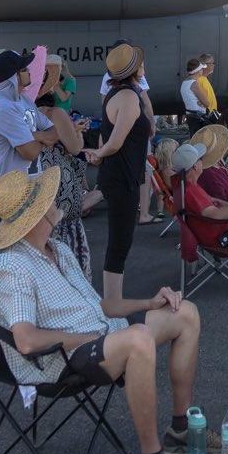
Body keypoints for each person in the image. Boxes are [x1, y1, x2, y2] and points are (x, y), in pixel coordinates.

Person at [0, 169, 214, 454]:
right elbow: (25, 341)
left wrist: (149, 303)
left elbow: (100, 305)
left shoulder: (59, 250)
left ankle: (180, 429)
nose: (55, 203)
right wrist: (84, 336)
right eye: (47, 201)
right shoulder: (12, 266)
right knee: (138, 340)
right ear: (36, 215)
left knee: (185, 312)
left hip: (101, 332)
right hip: (59, 360)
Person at [84, 43, 154, 305]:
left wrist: (99, 153)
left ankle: (112, 298)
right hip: (123, 174)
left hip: (121, 171)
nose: (144, 67)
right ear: (135, 71)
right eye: (141, 64)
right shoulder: (127, 97)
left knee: (118, 234)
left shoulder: (118, 92)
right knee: (120, 239)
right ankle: (112, 301)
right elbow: (115, 141)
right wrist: (98, 153)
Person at [32, 84, 92, 275]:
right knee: (69, 252)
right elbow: (74, 149)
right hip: (59, 186)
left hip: (35, 185)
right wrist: (76, 131)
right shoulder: (55, 113)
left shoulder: (20, 113)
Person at [0, 47, 57, 183]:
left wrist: (34, 136)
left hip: (31, 187)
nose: (29, 71)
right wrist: (41, 138)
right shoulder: (3, 109)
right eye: (24, 70)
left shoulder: (23, 100)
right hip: (10, 194)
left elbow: (54, 133)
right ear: (13, 78)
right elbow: (31, 153)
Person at [180, 59, 215, 134]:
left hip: (190, 116)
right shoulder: (194, 84)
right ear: (198, 71)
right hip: (198, 117)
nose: (202, 70)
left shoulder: (184, 83)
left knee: (194, 139)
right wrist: (202, 102)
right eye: (201, 69)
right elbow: (207, 103)